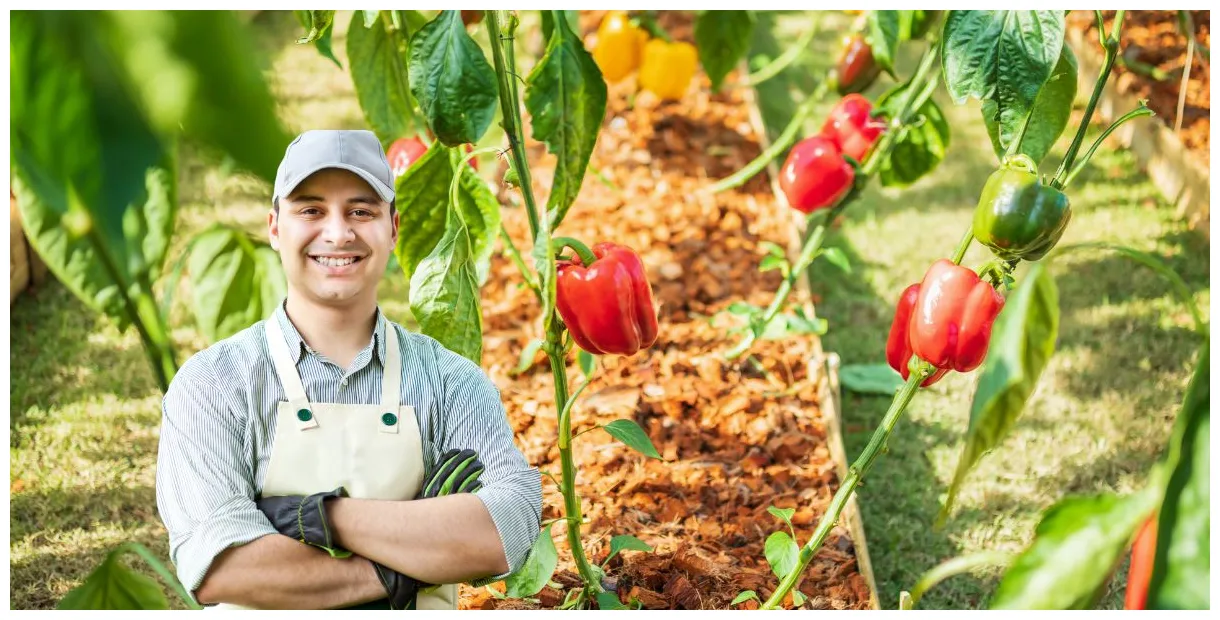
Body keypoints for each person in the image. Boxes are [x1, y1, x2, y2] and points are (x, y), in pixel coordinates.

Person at [155, 129, 542, 610]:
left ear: (394, 228)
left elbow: (508, 529)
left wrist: (324, 517)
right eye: (311, 210)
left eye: (361, 211)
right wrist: (407, 561)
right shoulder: (214, 385)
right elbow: (221, 567)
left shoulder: (452, 383)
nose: (338, 233)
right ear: (275, 227)